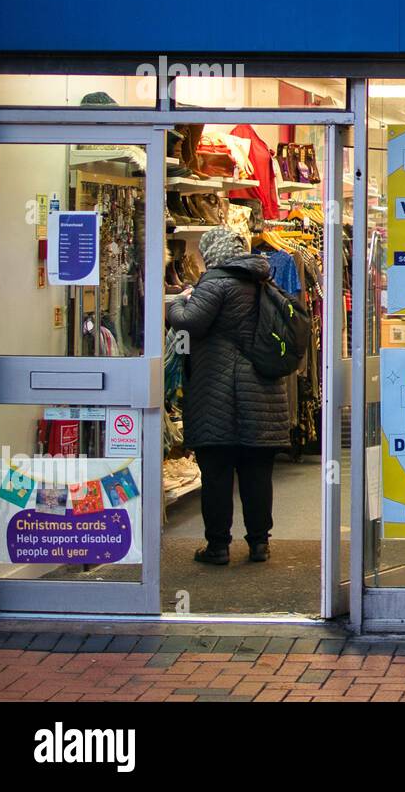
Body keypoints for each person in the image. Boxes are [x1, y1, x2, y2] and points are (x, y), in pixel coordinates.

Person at [167, 228, 290, 566]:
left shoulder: (216, 282)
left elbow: (189, 324)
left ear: (212, 253)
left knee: (217, 473)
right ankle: (259, 544)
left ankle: (218, 546)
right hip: (262, 394)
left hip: (218, 394)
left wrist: (176, 303)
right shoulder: (264, 280)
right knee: (256, 473)